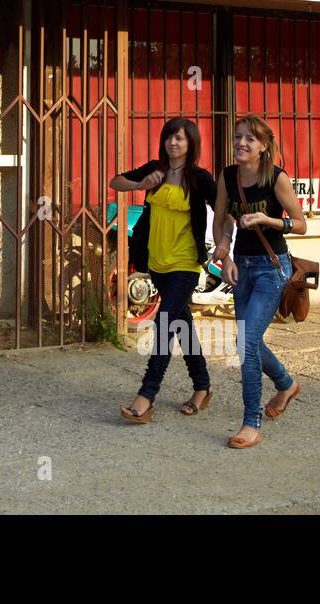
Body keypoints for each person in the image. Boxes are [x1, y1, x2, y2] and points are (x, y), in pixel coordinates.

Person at [111, 118, 218, 424]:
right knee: (181, 323)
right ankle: (203, 387)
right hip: (157, 261)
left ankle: (146, 396)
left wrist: (228, 240)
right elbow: (116, 181)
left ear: (191, 144)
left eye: (181, 139)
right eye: (170, 137)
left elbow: (223, 205)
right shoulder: (154, 170)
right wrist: (139, 185)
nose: (174, 143)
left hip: (185, 262)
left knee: (165, 323)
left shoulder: (198, 178)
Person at [212, 115, 308, 449]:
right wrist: (224, 252)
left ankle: (251, 422)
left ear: (264, 146)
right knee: (247, 341)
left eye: (249, 139)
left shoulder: (276, 178)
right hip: (243, 268)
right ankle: (286, 384)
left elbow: (301, 224)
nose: (241, 143)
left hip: (271, 268)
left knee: (246, 342)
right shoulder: (226, 176)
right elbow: (223, 219)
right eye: (238, 137)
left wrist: (267, 218)